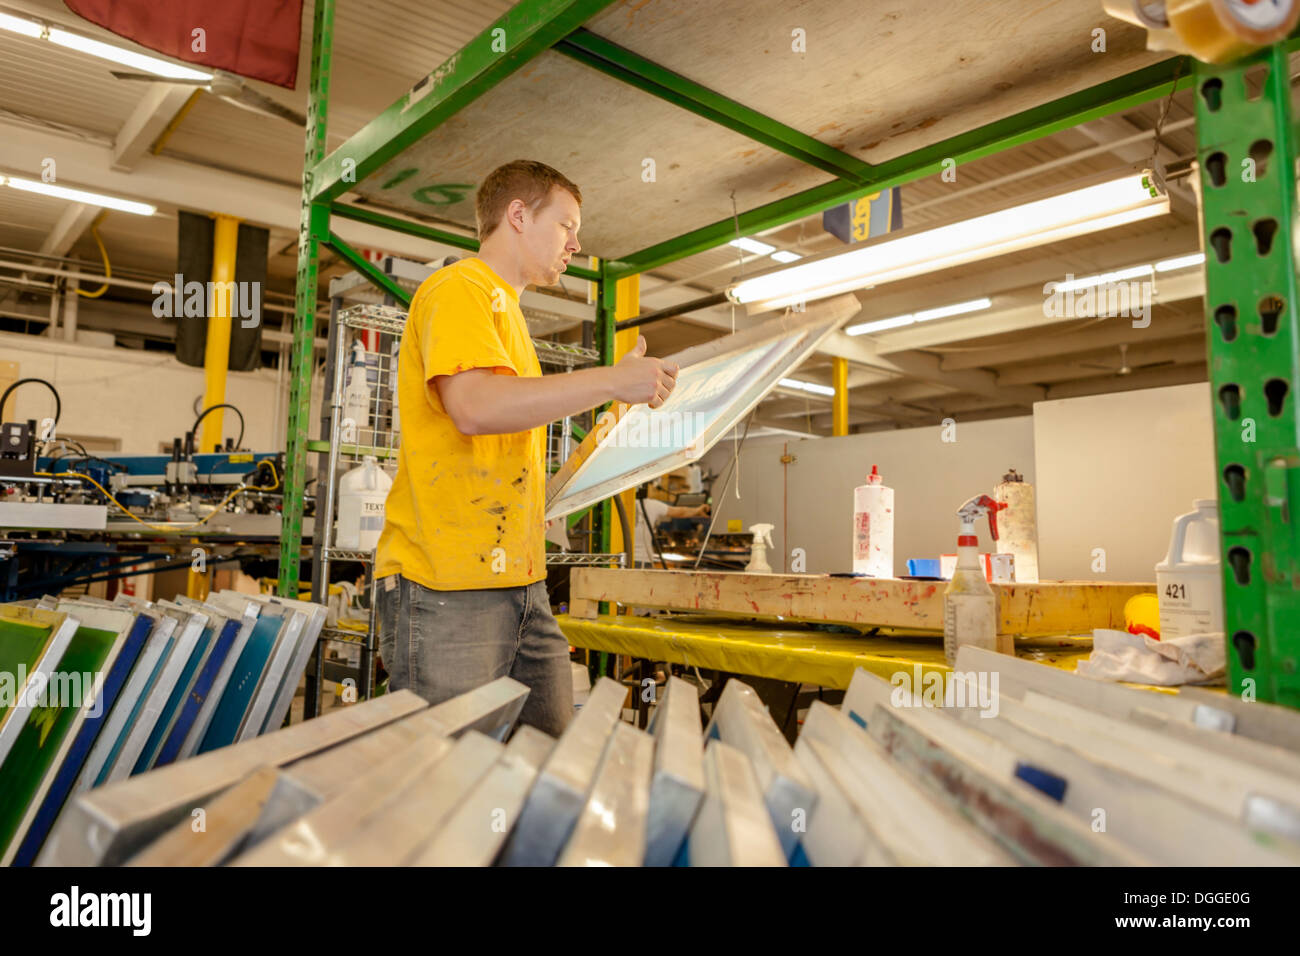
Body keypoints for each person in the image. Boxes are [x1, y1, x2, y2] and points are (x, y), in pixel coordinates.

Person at [374, 159, 679, 736]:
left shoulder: (509, 319)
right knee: (449, 778)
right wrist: (612, 380)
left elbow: (506, 433)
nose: (576, 242)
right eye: (566, 225)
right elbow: (475, 407)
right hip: (446, 587)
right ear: (518, 215)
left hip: (521, 584)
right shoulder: (459, 288)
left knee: (546, 763)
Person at [633, 493, 710, 567]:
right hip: (643, 561)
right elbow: (681, 512)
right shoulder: (649, 504)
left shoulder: (622, 505)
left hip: (624, 560)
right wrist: (698, 510)